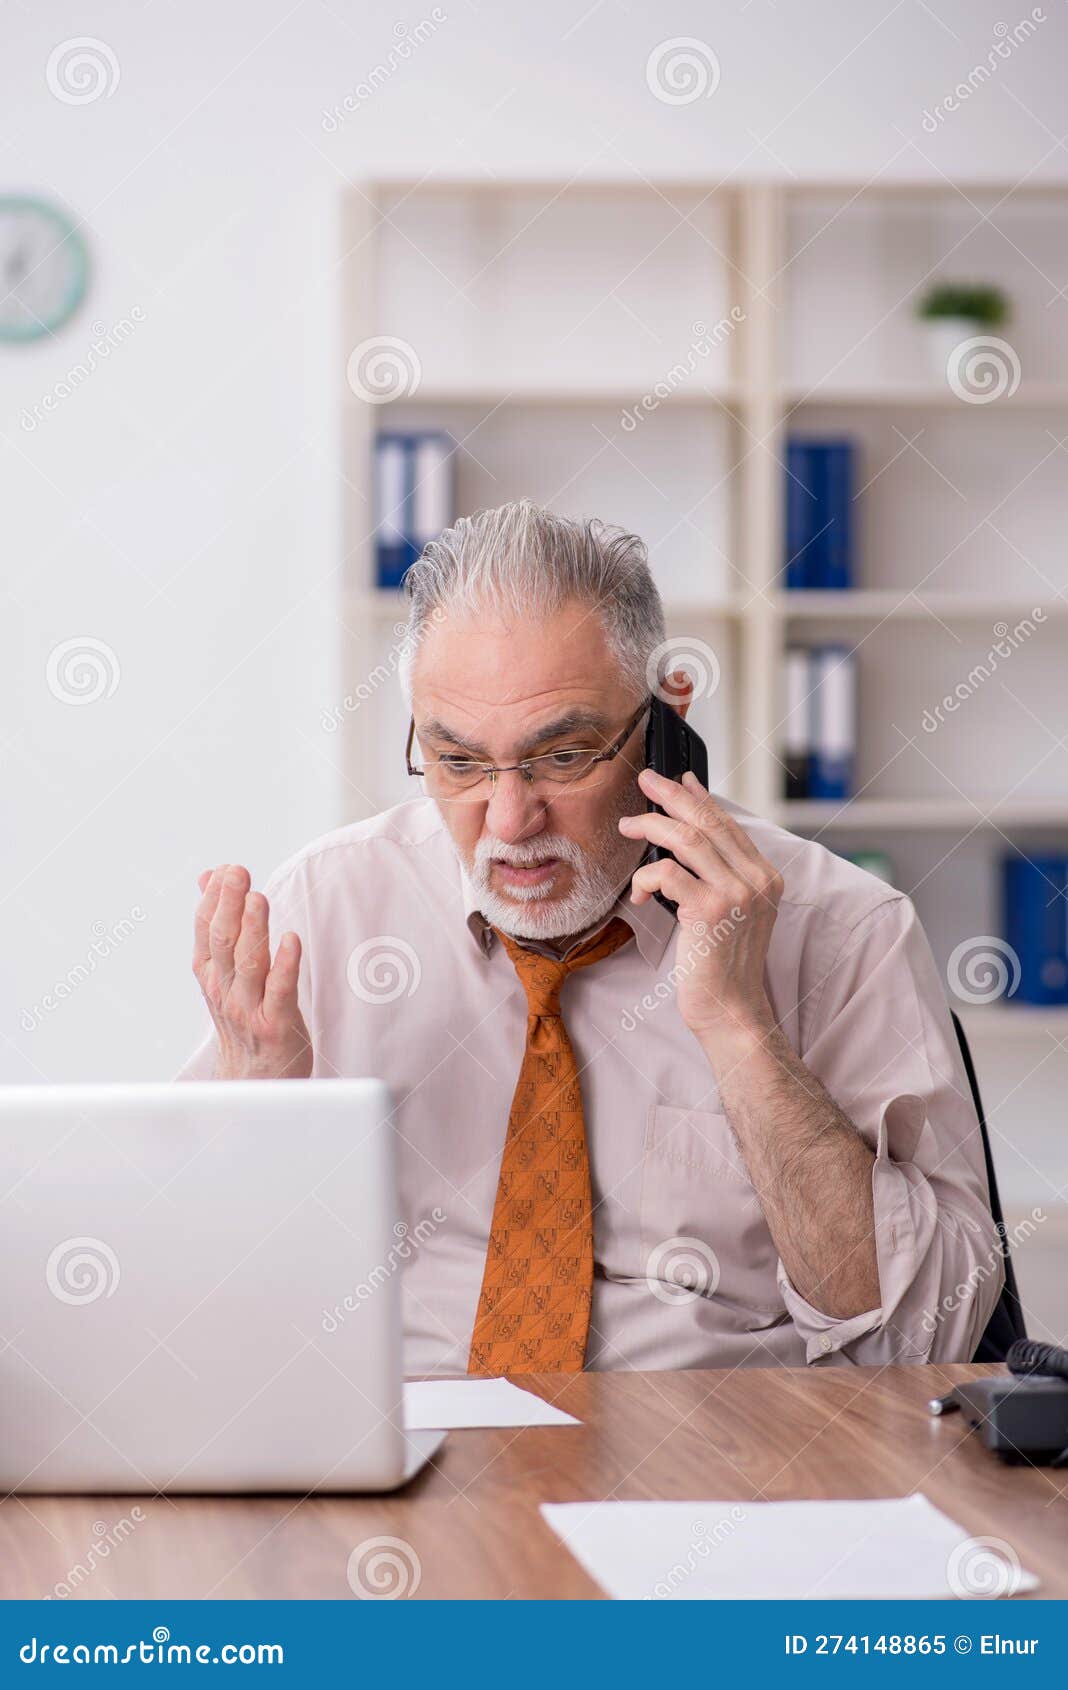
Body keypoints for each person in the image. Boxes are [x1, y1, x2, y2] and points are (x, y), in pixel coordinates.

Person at [177, 500, 1003, 1376]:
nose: (509, 818)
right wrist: (256, 1114)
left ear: (668, 714)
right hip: (403, 1455)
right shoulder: (329, 908)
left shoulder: (841, 930)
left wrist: (739, 1026)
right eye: (458, 762)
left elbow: (929, 1344)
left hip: (718, 1466)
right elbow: (193, 1315)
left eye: (562, 756)